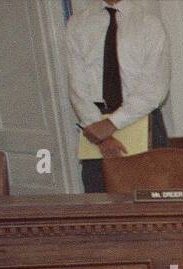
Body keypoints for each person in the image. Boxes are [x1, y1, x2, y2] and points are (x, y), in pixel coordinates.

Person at [63, 0, 171, 193]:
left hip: (141, 122)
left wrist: (111, 124)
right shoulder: (78, 24)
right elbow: (77, 88)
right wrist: (102, 136)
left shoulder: (149, 24)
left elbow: (154, 88)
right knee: (101, 208)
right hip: (94, 128)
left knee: (150, 206)